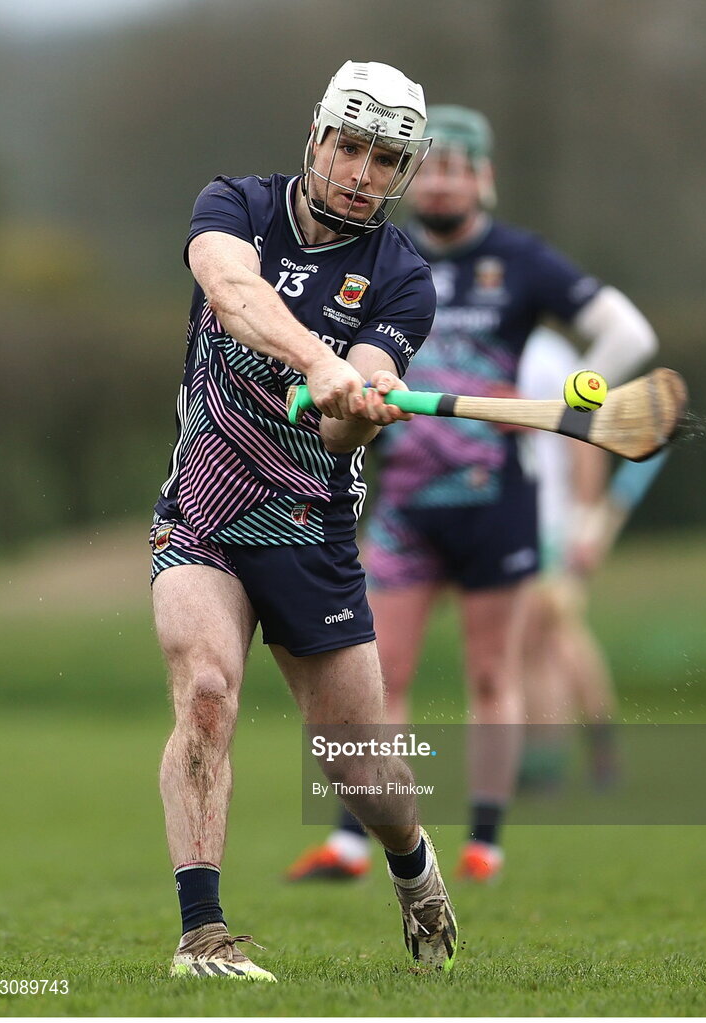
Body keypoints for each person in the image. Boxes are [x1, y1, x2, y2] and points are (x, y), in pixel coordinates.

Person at [286, 104, 657, 884]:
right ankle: (360, 839)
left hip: (495, 502)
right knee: (379, 672)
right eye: (435, 166)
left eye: (462, 167)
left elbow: (627, 333)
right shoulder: (383, 257)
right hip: (406, 501)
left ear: (482, 177)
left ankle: (484, 840)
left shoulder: (520, 259)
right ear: (416, 175)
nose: (445, 182)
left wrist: (562, 394)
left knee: (492, 674)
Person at [150, 60, 458, 981]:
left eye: (384, 157)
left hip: (307, 532)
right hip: (200, 518)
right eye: (351, 146)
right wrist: (314, 355)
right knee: (206, 692)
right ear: (318, 137)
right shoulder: (235, 203)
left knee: (360, 769)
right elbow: (231, 292)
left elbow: (335, 423)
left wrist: (360, 404)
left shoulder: (402, 277)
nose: (361, 171)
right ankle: (201, 934)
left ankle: (413, 866)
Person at [517, 328, 671, 789]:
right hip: (515, 524)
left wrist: (584, 524)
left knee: (543, 638)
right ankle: (581, 749)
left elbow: (585, 442)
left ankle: (551, 757)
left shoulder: (548, 355)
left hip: (548, 526)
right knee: (553, 637)